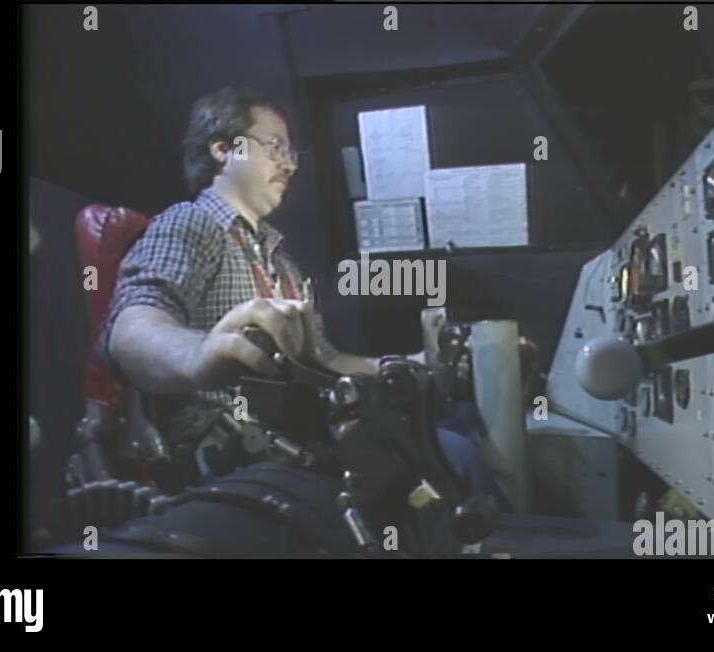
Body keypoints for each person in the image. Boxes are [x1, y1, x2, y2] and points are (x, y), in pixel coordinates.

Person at [102, 85, 497, 498]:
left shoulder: (280, 258)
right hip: (234, 453)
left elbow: (325, 359)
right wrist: (199, 354)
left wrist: (412, 365)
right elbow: (131, 329)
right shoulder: (189, 225)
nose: (288, 165)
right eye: (274, 147)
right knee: (456, 457)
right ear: (223, 149)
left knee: (456, 425)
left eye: (290, 154)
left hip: (301, 427)